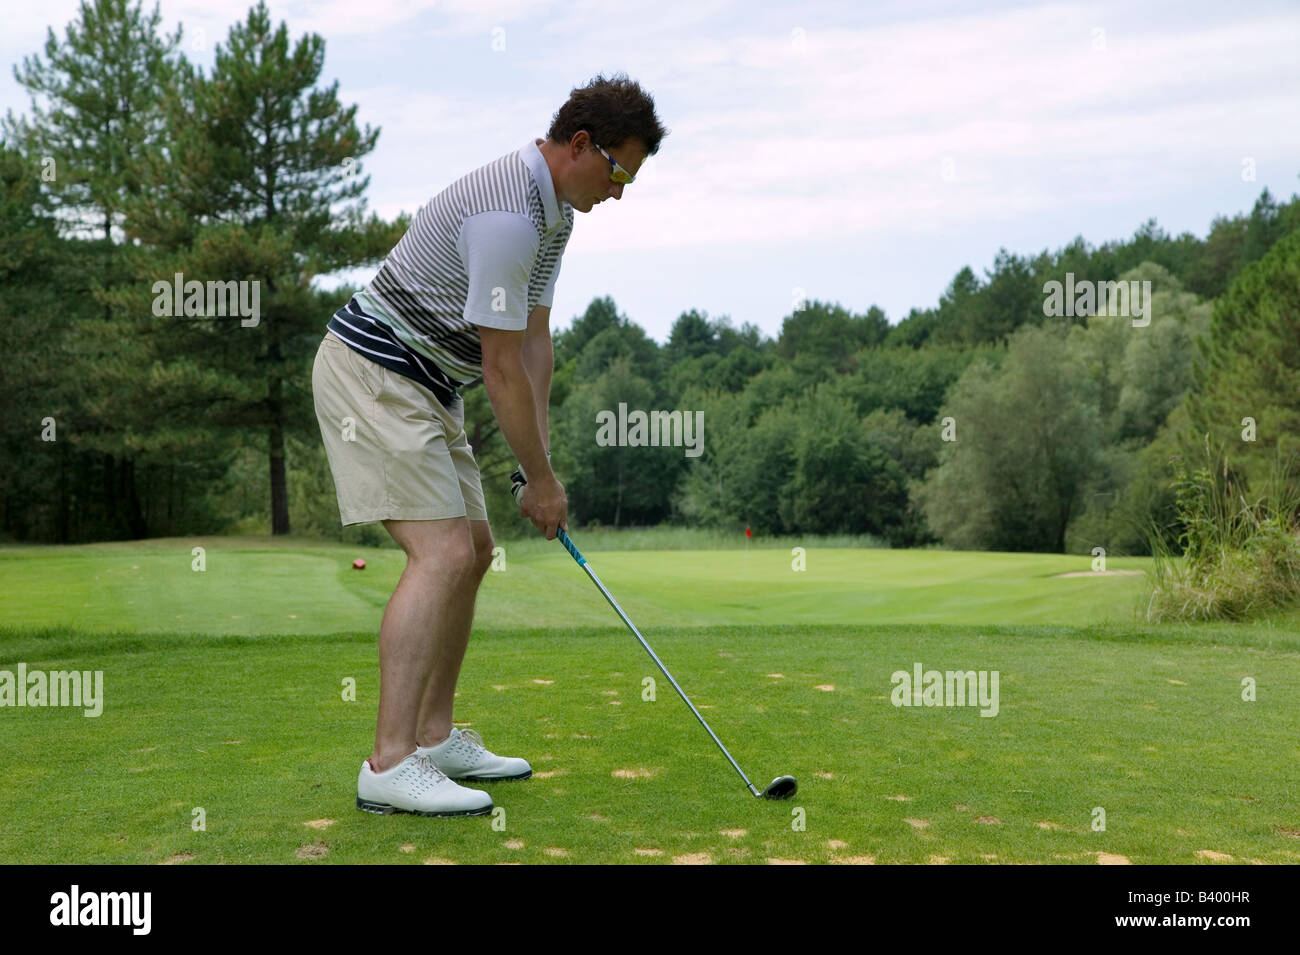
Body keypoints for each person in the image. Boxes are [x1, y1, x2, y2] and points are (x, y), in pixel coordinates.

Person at [311, 73, 668, 816]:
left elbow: (535, 345)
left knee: (473, 548)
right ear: (579, 145)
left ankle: (434, 739)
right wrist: (538, 482)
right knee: (439, 552)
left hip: (430, 381)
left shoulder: (555, 216)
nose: (623, 190)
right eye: (620, 170)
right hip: (374, 370)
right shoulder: (510, 216)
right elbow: (499, 362)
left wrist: (539, 464)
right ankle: (388, 762)